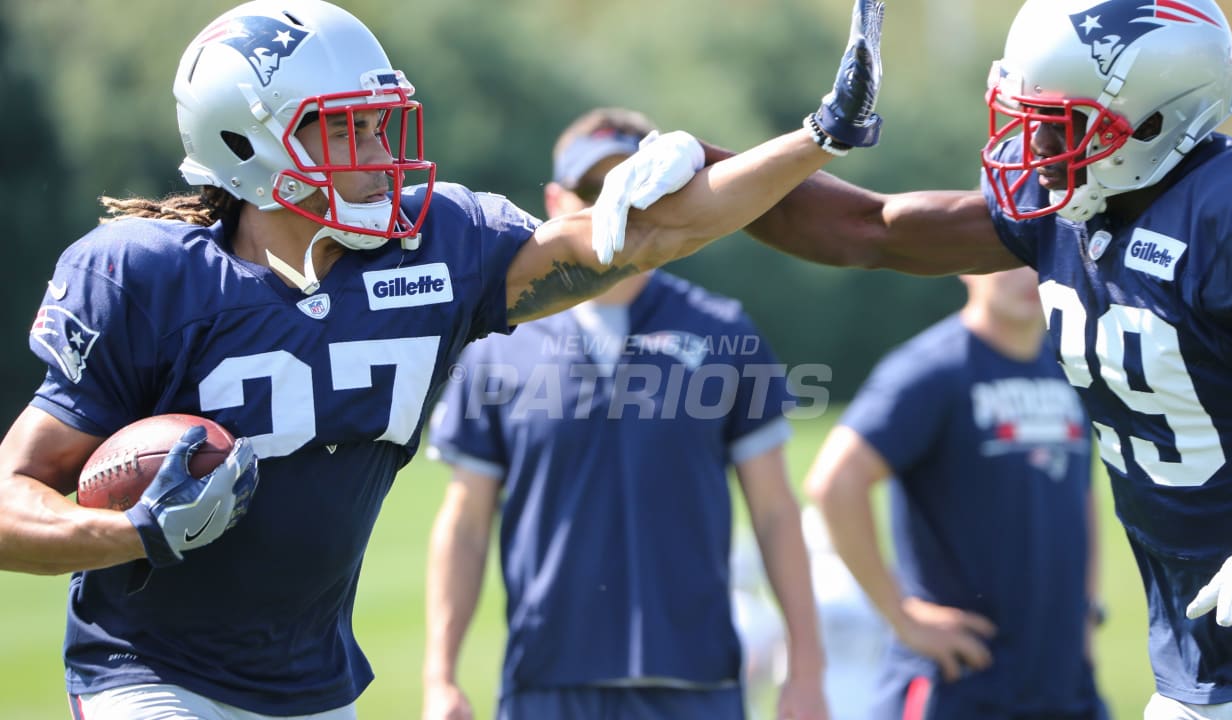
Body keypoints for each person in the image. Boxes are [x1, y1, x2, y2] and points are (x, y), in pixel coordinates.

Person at [0, 0, 886, 717]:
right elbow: (12, 497)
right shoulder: (147, 275)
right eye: (347, 131)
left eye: (381, 125)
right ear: (247, 144)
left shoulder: (436, 247)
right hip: (149, 672)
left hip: (309, 682)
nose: (380, 154)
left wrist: (818, 135)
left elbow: (641, 236)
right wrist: (130, 533)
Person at [595, 0, 1232, 715]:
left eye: (1061, 121)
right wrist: (709, 163)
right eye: (1031, 116)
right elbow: (869, 228)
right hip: (1211, 657)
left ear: (1153, 121)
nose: (1038, 144)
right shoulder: (1074, 210)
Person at [421, 107, 828, 720]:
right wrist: (439, 677)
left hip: (696, 681)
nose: (617, 204)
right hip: (547, 681)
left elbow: (774, 513)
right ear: (555, 201)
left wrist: (807, 669)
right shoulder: (497, 344)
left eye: (636, 185)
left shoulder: (724, 331)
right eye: (592, 188)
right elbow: (465, 524)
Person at [805, 267, 1108, 719]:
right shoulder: (932, 368)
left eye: (1034, 256)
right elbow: (835, 482)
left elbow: (1080, 496)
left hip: (1062, 685)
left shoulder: (1068, 369)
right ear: (966, 266)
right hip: (961, 681)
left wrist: (1087, 612)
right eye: (1004, 257)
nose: (1026, 274)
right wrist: (901, 615)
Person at [731, 506, 892, 720]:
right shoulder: (875, 583)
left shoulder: (796, 588)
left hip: (812, 704)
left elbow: (765, 659)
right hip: (866, 702)